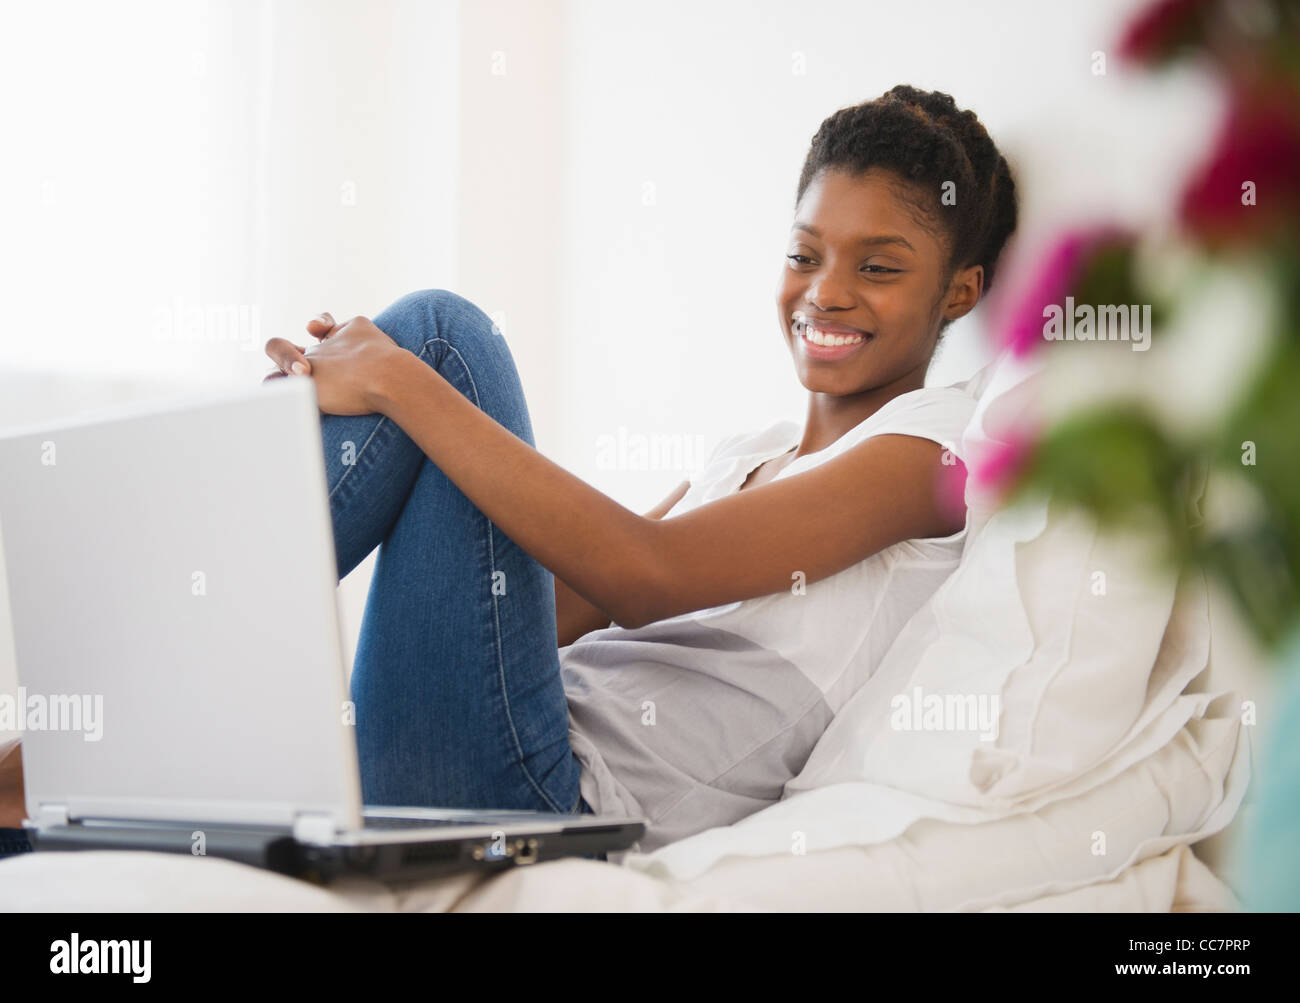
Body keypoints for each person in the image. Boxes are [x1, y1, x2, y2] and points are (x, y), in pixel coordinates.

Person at [0, 85, 1017, 858]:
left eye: (877, 267)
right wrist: (370, 428)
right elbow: (559, 601)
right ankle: (85, 750)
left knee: (441, 342)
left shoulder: (931, 455)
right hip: (495, 727)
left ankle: (71, 731)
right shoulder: (746, 454)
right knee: (415, 371)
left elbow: (643, 573)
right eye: (804, 255)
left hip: (546, 789)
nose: (824, 293)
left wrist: (405, 389)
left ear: (961, 291)